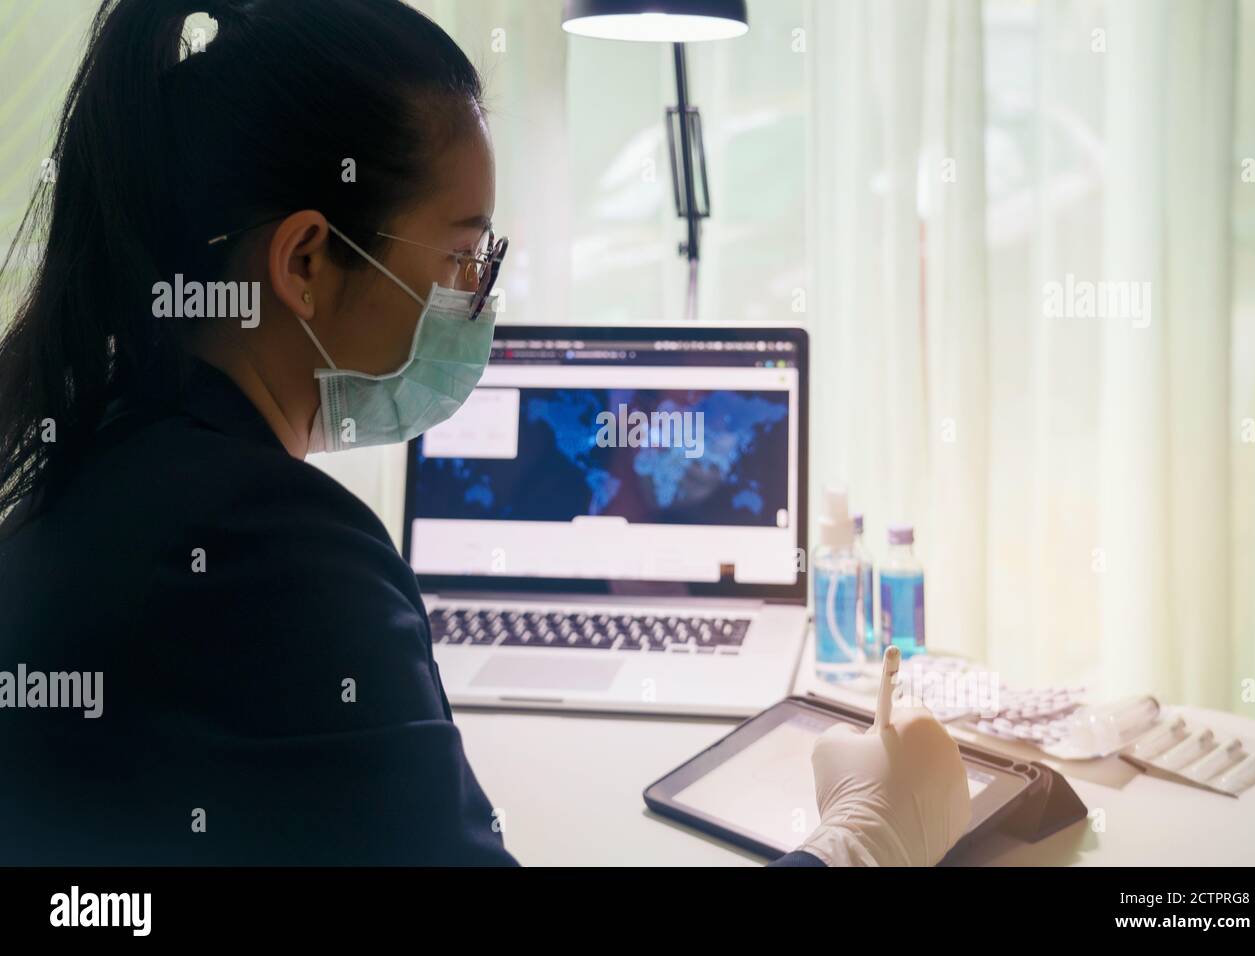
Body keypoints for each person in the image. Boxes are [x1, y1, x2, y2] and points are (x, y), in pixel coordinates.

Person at [0, 0, 970, 866]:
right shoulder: (277, 557)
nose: (479, 300)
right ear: (304, 260)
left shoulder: (85, 460)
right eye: (464, 254)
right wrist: (863, 843)